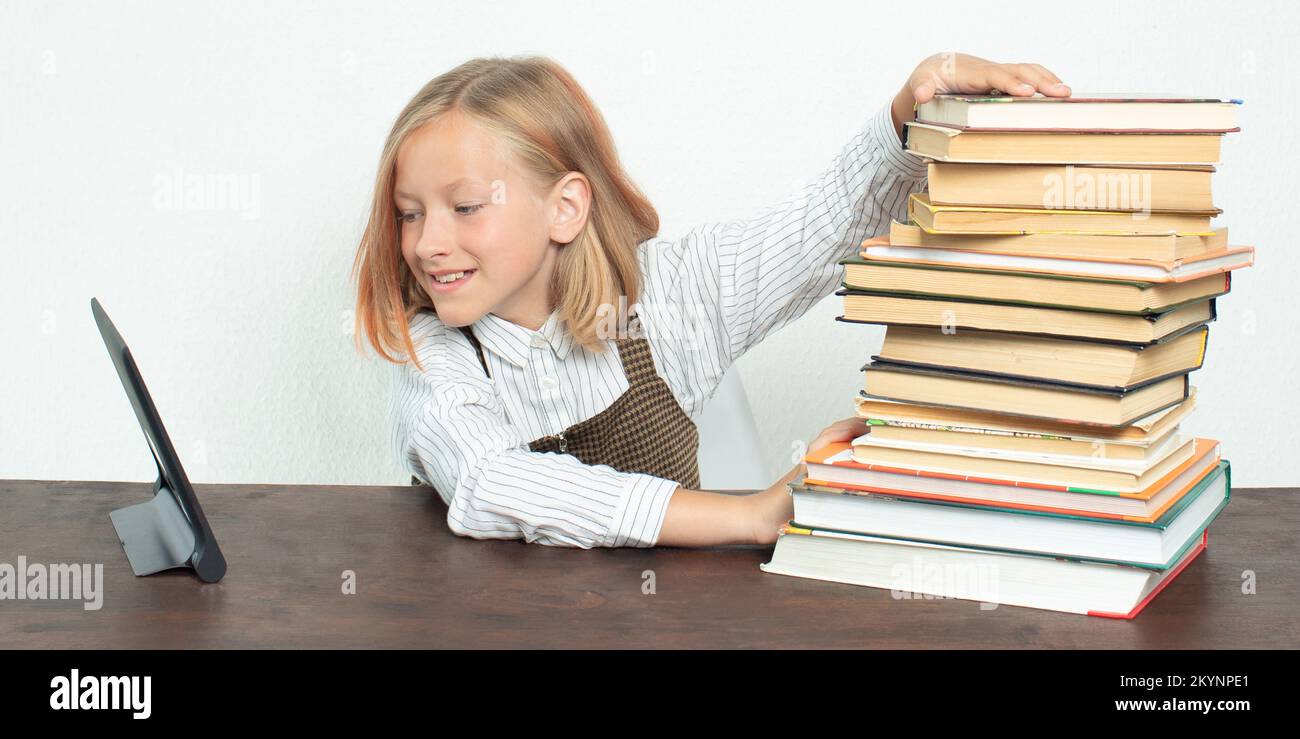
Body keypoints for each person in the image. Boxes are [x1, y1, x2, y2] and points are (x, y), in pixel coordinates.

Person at [351, 53, 1069, 548]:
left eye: (466, 207)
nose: (426, 242)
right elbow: (490, 481)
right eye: (410, 212)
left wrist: (908, 107)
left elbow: (823, 227)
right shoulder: (433, 355)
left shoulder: (669, 298)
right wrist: (749, 515)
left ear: (565, 209)